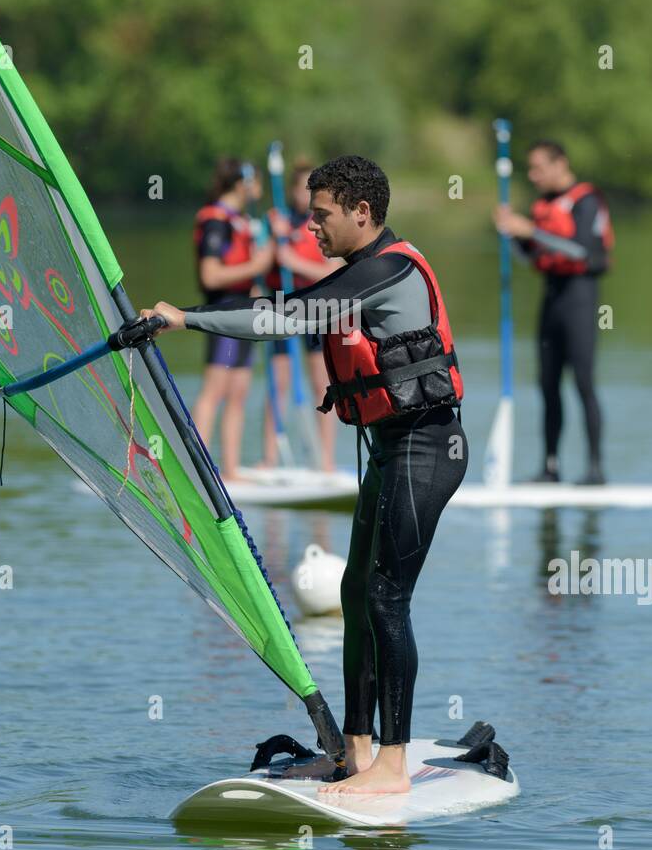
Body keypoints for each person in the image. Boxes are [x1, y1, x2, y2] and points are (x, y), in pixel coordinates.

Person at [143, 155, 467, 796]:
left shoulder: (389, 270)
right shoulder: (359, 272)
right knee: (355, 597)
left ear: (361, 214)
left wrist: (184, 318)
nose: (310, 227)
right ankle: (356, 753)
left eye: (321, 216)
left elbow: (283, 317)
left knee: (385, 600)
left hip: (426, 451)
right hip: (389, 448)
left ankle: (393, 769)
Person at [493, 140, 614, 485]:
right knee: (547, 385)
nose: (533, 175)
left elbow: (582, 251)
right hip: (552, 298)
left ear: (560, 164)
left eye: (538, 168)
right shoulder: (542, 205)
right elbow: (530, 256)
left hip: (580, 296)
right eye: (530, 169)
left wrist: (530, 230)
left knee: (583, 383)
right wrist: (509, 235)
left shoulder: (587, 200)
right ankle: (550, 467)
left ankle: (595, 469)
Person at [190, 159, 274, 481]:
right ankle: (197, 469)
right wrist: (257, 267)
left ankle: (231, 470)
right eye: (256, 182)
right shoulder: (216, 221)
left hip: (245, 311)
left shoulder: (240, 220)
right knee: (216, 389)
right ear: (241, 184)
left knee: (239, 390)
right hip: (223, 312)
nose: (260, 188)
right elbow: (211, 276)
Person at [263, 157, 344, 472]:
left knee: (322, 385)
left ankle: (325, 461)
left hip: (315, 306)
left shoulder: (324, 225)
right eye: (303, 189)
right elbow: (261, 263)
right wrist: (274, 238)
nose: (307, 196)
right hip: (282, 302)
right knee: (278, 382)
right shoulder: (276, 221)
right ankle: (269, 458)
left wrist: (292, 261)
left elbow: (331, 272)